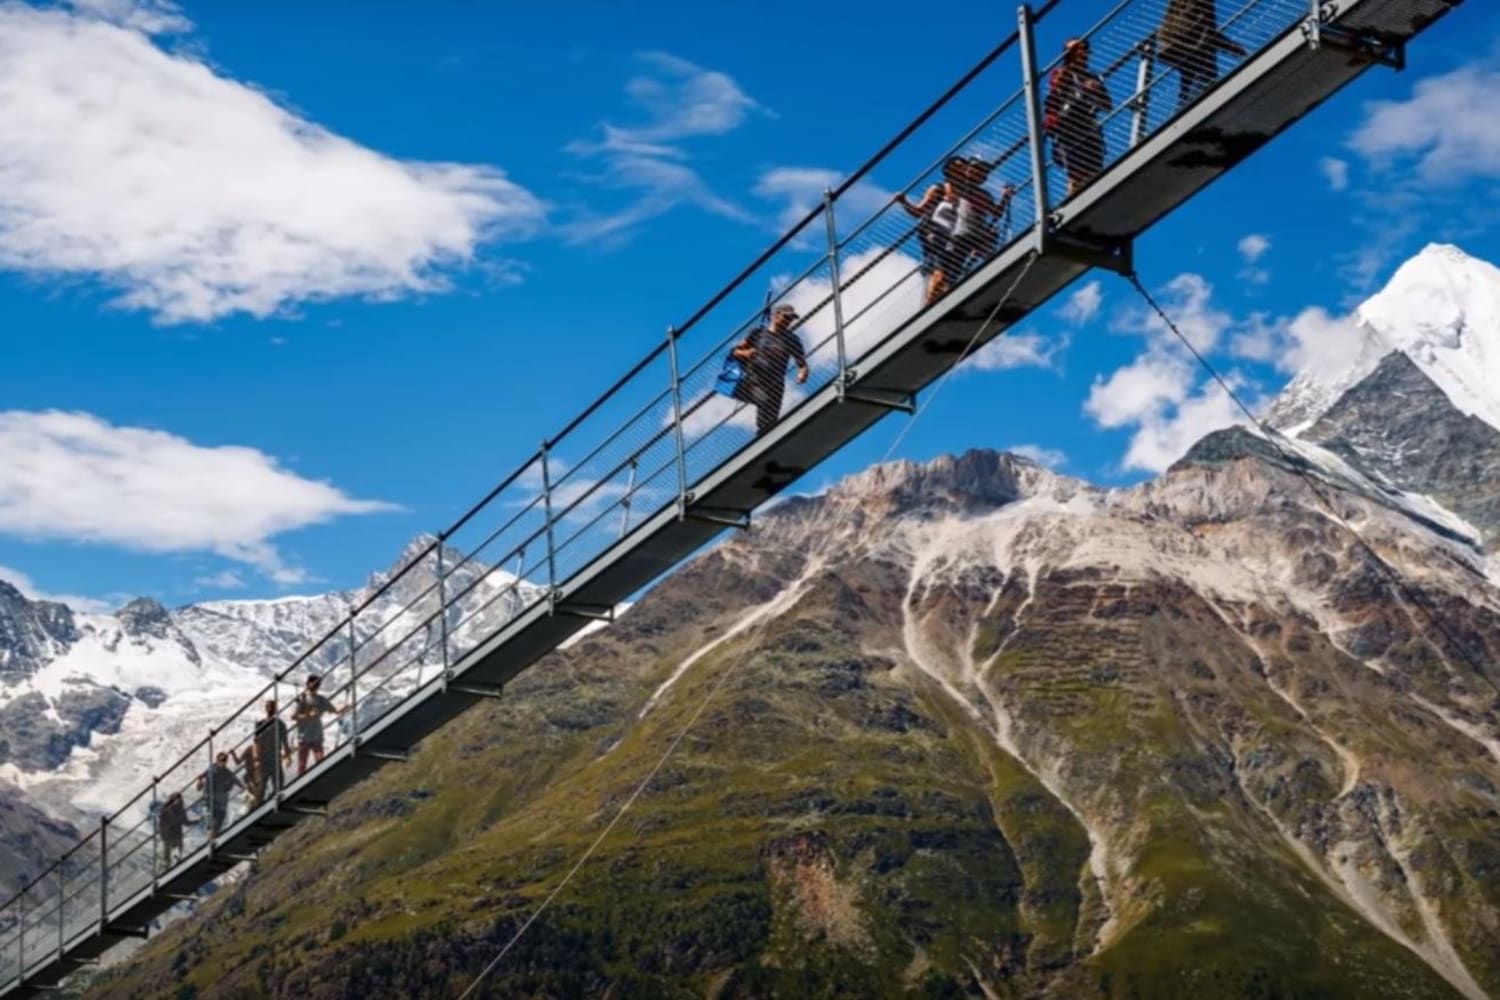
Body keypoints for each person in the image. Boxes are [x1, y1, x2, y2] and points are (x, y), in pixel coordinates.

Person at [1044, 38, 1112, 197]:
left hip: (1088, 126)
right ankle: (1074, 200)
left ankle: (1096, 198)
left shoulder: (1093, 78)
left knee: (1095, 170)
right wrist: (1070, 71)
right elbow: (1056, 88)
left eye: (1082, 49)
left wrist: (1095, 91)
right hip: (1067, 127)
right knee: (1075, 174)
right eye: (1074, 50)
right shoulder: (1061, 73)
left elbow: (1108, 106)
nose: (1079, 52)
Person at [729, 302, 809, 437]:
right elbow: (734, 352)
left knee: (770, 421)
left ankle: (764, 439)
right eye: (786, 317)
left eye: (791, 319)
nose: (789, 321)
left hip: (776, 384)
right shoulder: (757, 333)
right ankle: (762, 437)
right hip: (755, 380)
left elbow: (802, 364)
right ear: (776, 316)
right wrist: (746, 353)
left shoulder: (792, 339)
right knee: (764, 401)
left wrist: (802, 374)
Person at [1157, 0, 1246, 108]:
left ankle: (1185, 110)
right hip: (1194, 48)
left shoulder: (1178, 5)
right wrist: (1231, 47)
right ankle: (1197, 111)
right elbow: (1201, 28)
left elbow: (1200, 27)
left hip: (1181, 48)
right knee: (1203, 82)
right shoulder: (1199, 4)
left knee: (1189, 83)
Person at [293, 674, 343, 776]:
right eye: (314, 683)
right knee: (302, 765)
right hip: (304, 737)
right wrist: (308, 716)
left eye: (317, 684)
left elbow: (334, 710)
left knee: (320, 761)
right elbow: (294, 716)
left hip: (316, 736)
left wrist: (345, 708)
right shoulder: (302, 699)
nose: (316, 686)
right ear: (308, 684)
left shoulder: (321, 699)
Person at [249, 699, 291, 806]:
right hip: (263, 758)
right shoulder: (260, 724)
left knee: (279, 783)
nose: (270, 709)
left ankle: (271, 803)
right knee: (262, 785)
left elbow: (285, 741)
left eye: (272, 707)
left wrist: (288, 757)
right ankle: (258, 807)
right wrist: (256, 759)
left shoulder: (280, 724)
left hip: (275, 756)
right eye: (268, 706)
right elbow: (256, 743)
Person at [196, 752, 243, 838]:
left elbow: (236, 780)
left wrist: (244, 788)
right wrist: (200, 782)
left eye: (225, 760)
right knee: (209, 821)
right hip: (209, 800)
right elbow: (200, 778)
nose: (223, 762)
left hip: (220, 802)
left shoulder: (227, 773)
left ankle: (212, 838)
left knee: (219, 820)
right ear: (217, 760)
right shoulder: (211, 769)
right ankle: (210, 839)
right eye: (221, 760)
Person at [157, 791, 186, 869]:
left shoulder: (181, 809)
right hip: (168, 835)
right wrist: (162, 834)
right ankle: (166, 866)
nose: (180, 802)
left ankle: (175, 861)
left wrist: (198, 820)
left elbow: (186, 822)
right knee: (167, 859)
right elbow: (161, 821)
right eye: (178, 800)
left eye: (180, 800)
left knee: (177, 851)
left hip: (177, 835)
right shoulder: (166, 808)